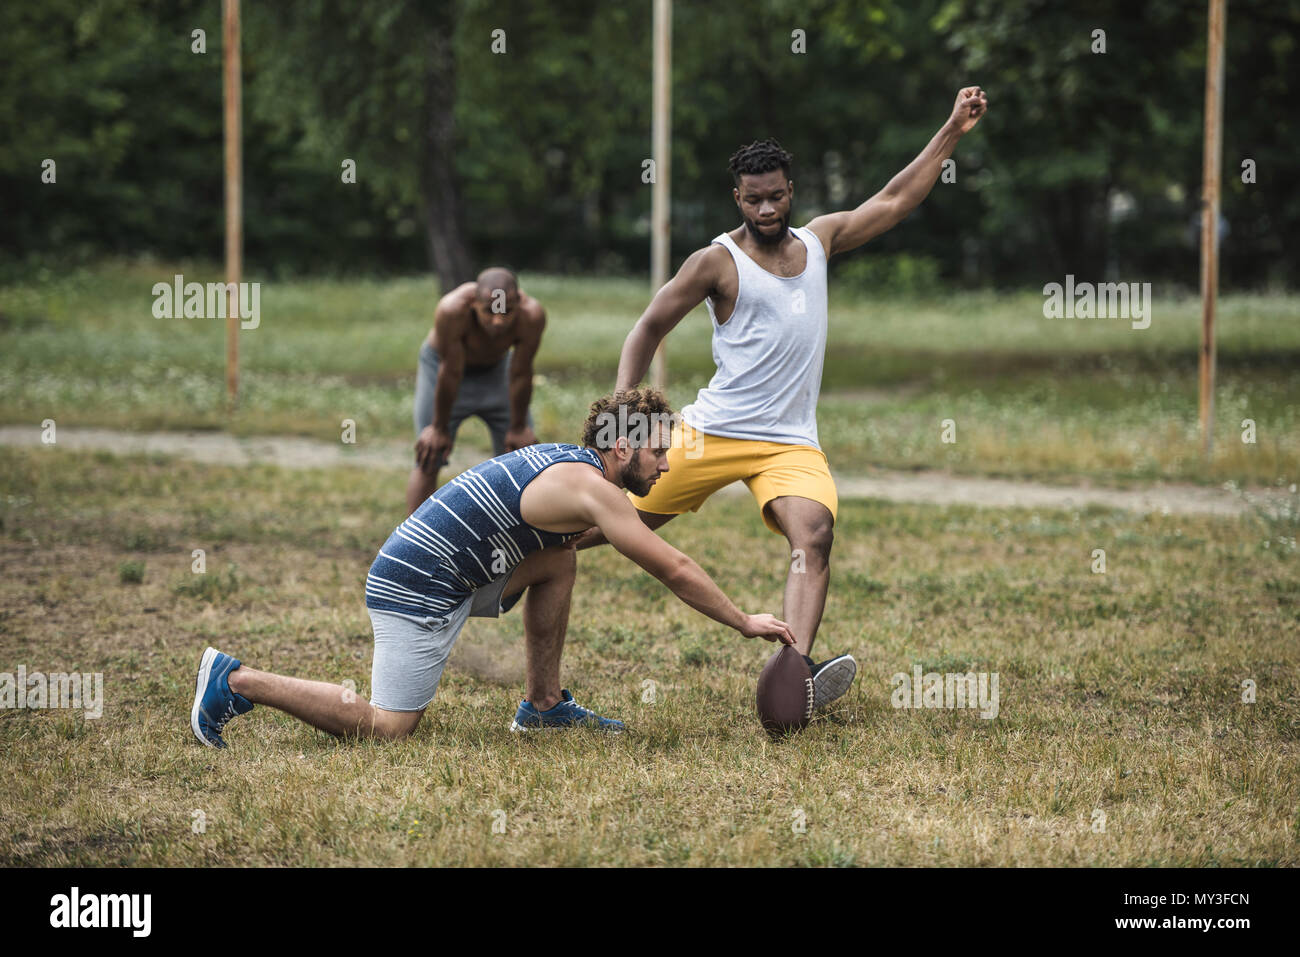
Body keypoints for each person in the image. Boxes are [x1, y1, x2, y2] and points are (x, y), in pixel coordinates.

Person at [579, 87, 990, 712]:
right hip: (712, 432)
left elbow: (896, 198)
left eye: (776, 195)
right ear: (736, 198)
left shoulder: (820, 242)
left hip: (790, 442)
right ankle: (505, 560)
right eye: (753, 198)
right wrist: (625, 420)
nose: (766, 208)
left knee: (814, 535)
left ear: (791, 190)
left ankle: (794, 677)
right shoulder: (716, 262)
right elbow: (648, 328)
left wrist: (952, 130)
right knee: (604, 527)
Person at [191, 390, 794, 748]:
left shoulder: (576, 468)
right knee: (390, 728)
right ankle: (236, 680)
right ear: (621, 448)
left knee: (558, 559)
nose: (666, 466)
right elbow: (675, 569)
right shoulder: (592, 489)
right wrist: (743, 621)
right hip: (414, 588)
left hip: (454, 574)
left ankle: (542, 705)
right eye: (658, 451)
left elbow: (570, 540)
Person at [406, 267, 546, 515]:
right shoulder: (452, 310)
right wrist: (438, 428)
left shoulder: (531, 315)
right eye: (489, 312)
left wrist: (518, 426)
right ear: (473, 303)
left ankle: (521, 539)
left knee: (522, 458)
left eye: (507, 312)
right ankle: (412, 546)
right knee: (430, 454)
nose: (498, 322)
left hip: (497, 371)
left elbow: (521, 372)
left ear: (518, 302)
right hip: (442, 370)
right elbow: (451, 372)